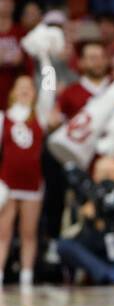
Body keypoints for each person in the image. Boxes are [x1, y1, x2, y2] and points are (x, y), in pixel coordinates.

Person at [0, 73, 53, 288]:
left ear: (34, 94)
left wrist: (47, 62)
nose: (25, 90)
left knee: (28, 233)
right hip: (8, 184)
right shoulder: (4, 118)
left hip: (32, 185)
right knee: (3, 233)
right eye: (20, 86)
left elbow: (50, 91)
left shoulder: (39, 117)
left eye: (29, 87)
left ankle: (26, 277)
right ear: (13, 92)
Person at [56, 155, 114, 285]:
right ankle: (110, 275)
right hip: (93, 255)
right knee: (64, 246)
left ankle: (109, 274)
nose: (108, 178)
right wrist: (87, 216)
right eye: (104, 173)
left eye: (112, 173)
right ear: (95, 175)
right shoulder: (85, 195)